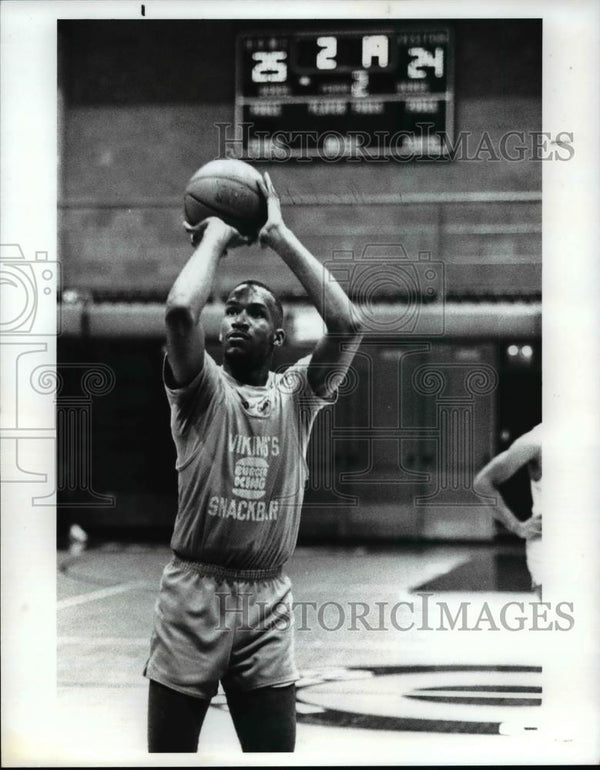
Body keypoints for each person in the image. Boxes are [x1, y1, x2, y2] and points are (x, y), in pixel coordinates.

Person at [144, 173, 363, 753]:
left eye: (255, 312)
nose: (238, 318)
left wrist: (279, 235)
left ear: (278, 335)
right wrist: (214, 236)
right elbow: (179, 316)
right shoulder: (201, 390)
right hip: (194, 594)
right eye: (232, 309)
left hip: (264, 600)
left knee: (273, 756)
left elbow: (349, 326)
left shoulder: (298, 396)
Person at [474, 423, 542, 594]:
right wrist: (516, 526)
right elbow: (483, 482)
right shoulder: (537, 441)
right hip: (550, 551)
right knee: (563, 617)